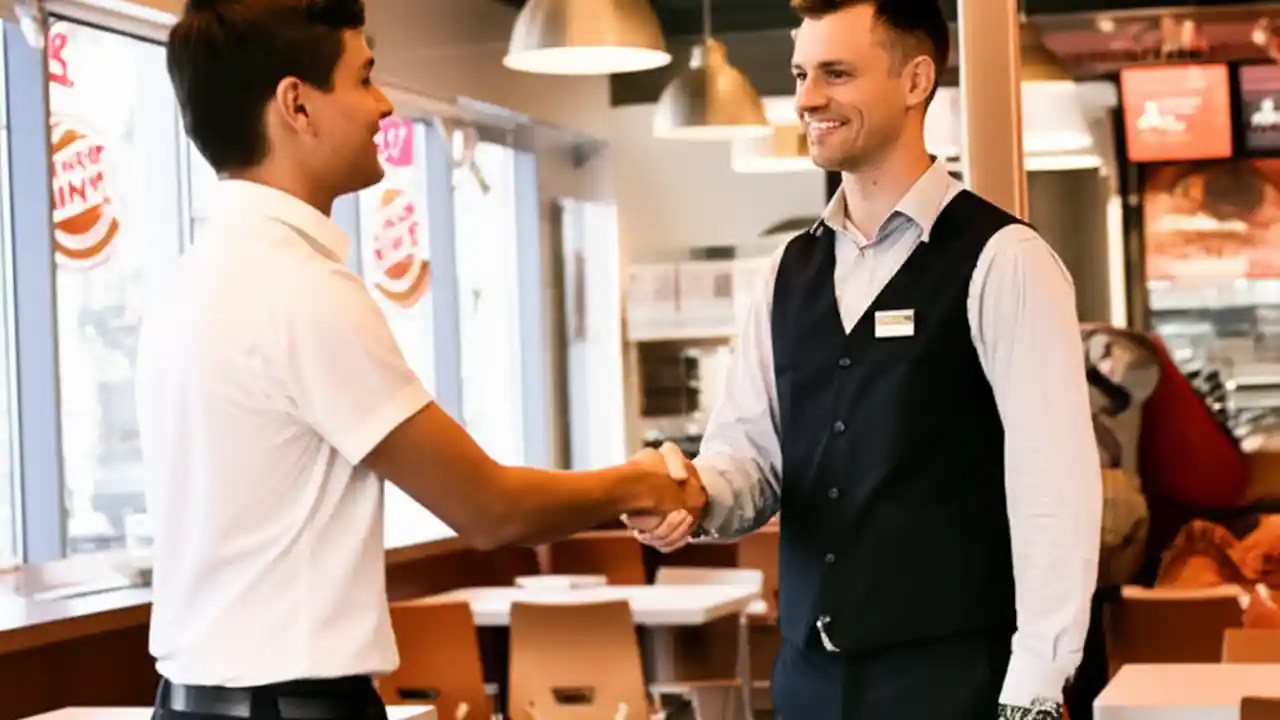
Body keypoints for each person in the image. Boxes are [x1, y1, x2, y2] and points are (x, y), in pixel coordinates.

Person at [138, 2, 704, 718]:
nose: (383, 106)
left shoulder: (190, 280)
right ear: (297, 105)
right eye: (365, 77)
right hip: (289, 706)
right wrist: (641, 481)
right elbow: (488, 510)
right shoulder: (301, 290)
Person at [626, 1, 1102, 718]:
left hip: (953, 681)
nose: (808, 97)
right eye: (800, 74)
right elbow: (749, 459)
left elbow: (1053, 491)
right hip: (808, 682)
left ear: (915, 80)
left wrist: (1036, 683)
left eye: (835, 73)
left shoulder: (1005, 261)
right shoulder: (786, 271)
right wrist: (693, 498)